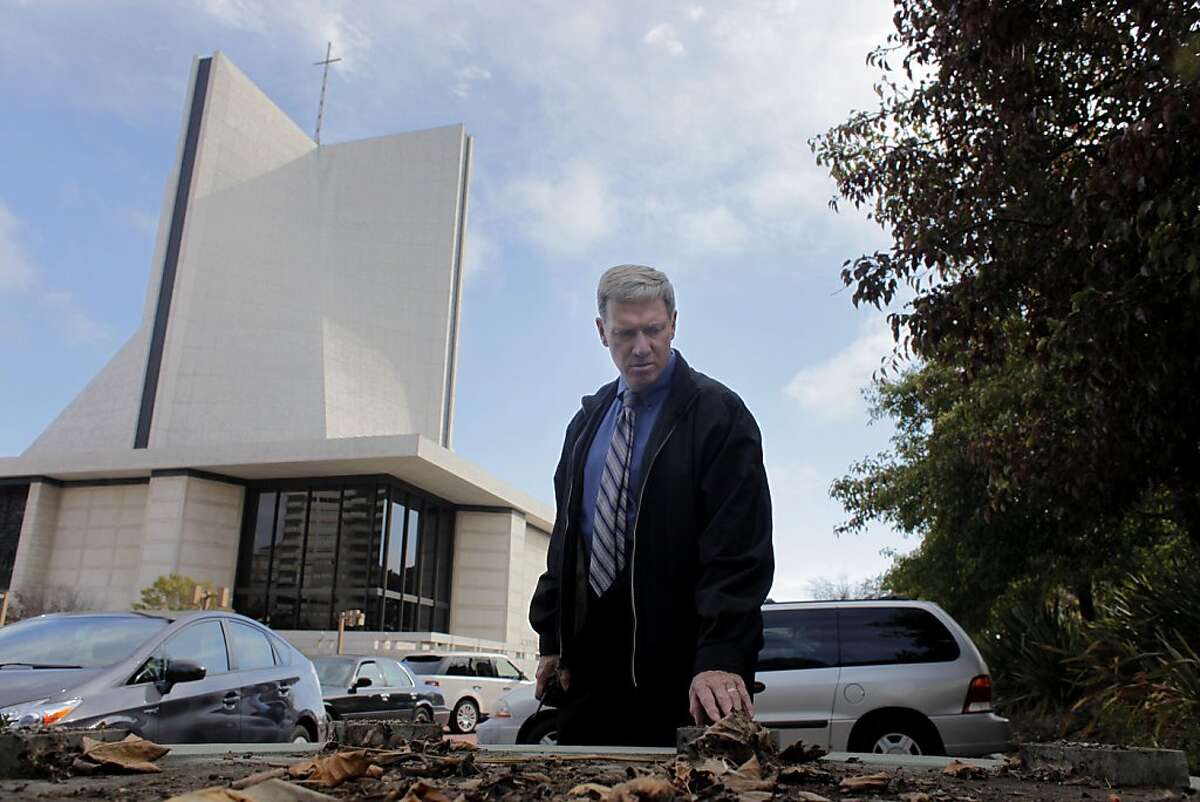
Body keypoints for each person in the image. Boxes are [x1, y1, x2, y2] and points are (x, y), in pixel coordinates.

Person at [528, 264, 774, 747]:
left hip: (683, 679)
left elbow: (739, 549)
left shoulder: (719, 415)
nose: (640, 348)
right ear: (602, 332)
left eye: (653, 331)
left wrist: (722, 656)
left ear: (674, 324)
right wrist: (552, 641)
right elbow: (566, 543)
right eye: (624, 333)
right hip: (588, 678)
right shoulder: (585, 426)